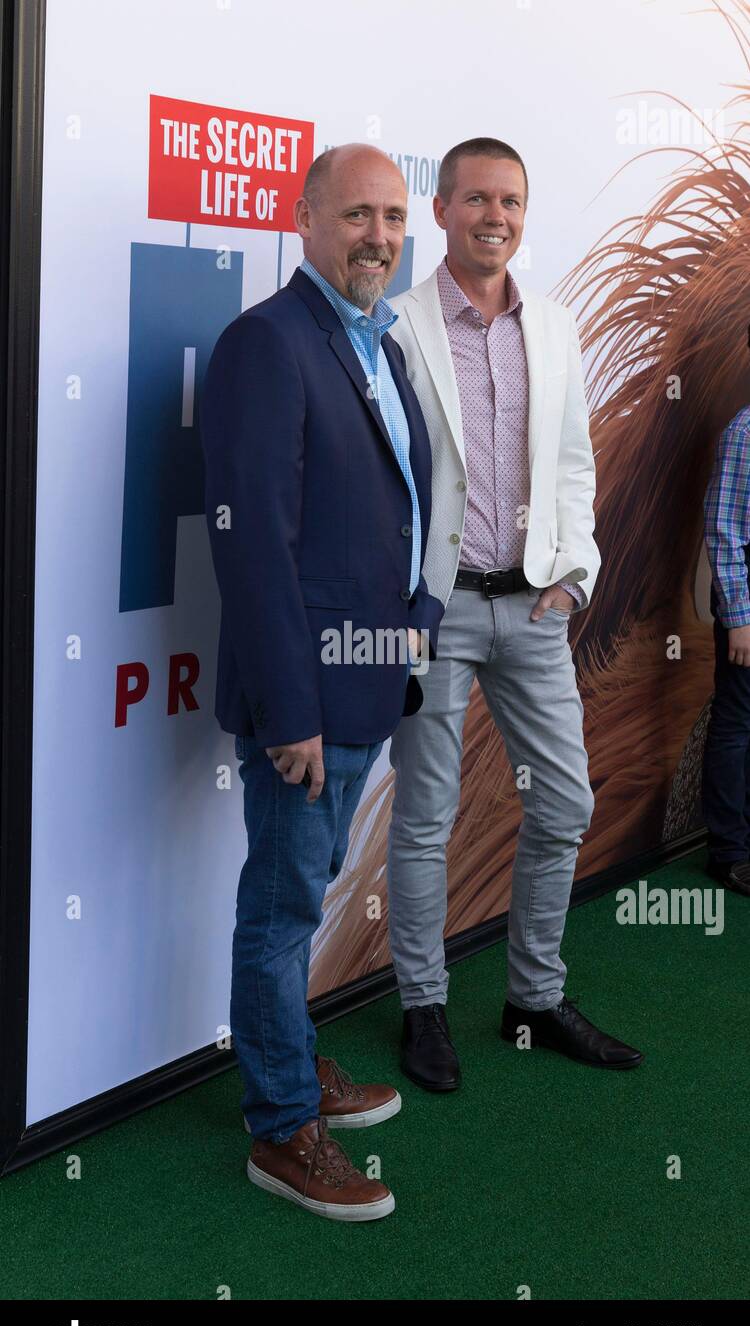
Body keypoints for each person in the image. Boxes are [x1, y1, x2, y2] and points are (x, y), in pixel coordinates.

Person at [200, 143, 443, 1219]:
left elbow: (399, 516)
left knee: (304, 892)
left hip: (366, 685)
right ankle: (280, 1128)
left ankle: (293, 1064)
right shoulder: (267, 343)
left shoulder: (377, 342)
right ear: (303, 221)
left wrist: (419, 632)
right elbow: (252, 545)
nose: (380, 236)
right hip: (303, 703)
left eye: (393, 216)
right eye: (357, 216)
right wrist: (288, 712)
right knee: (284, 905)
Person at [386, 137, 643, 1090]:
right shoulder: (400, 327)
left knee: (567, 802)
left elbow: (573, 464)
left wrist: (573, 577)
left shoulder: (557, 327)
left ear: (524, 216)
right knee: (424, 819)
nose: (497, 215)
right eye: (478, 199)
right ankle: (423, 1007)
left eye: (512, 201)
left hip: (533, 608)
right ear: (443, 208)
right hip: (436, 612)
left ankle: (533, 994)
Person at [703, 403, 750, 894]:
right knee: (737, 721)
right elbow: (725, 530)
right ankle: (730, 852)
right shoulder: (744, 432)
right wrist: (740, 619)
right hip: (748, 607)